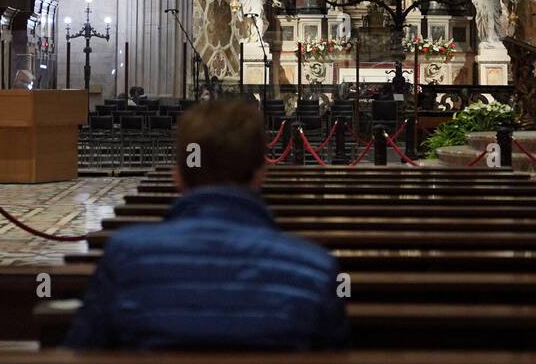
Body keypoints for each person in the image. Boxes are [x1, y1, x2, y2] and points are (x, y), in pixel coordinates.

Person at [64, 99, 349, 351]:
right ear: (261, 173)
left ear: (177, 176)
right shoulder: (315, 269)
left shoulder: (124, 259)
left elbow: (81, 357)